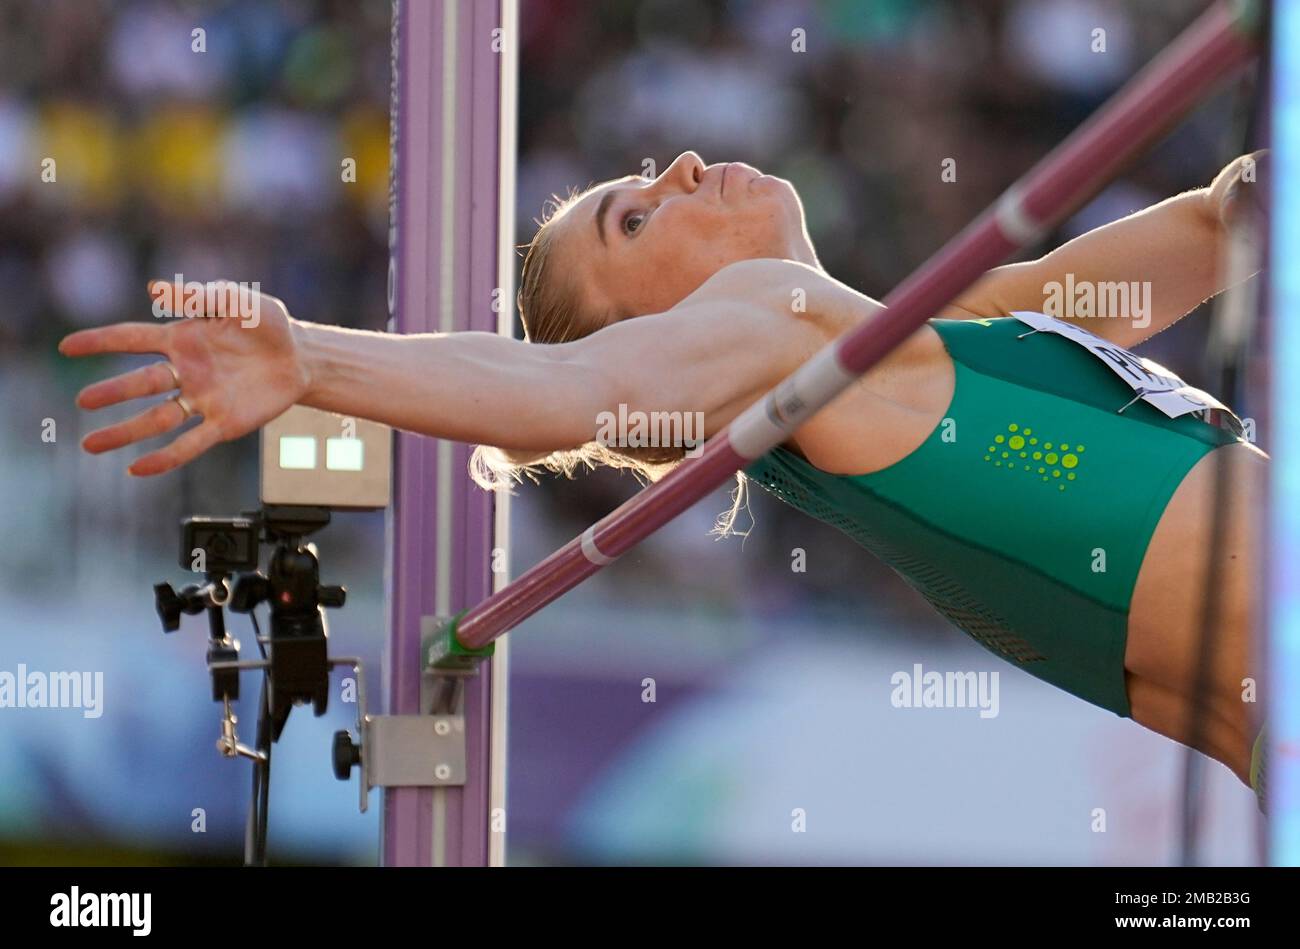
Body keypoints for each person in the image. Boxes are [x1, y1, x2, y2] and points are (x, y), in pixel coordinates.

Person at [59, 150, 1268, 803]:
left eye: (646, 181)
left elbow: (1215, 230)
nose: (685, 166)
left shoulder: (919, 350)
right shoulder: (771, 327)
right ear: (659, 332)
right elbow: (559, 396)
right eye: (635, 221)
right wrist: (310, 354)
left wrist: (1242, 195)